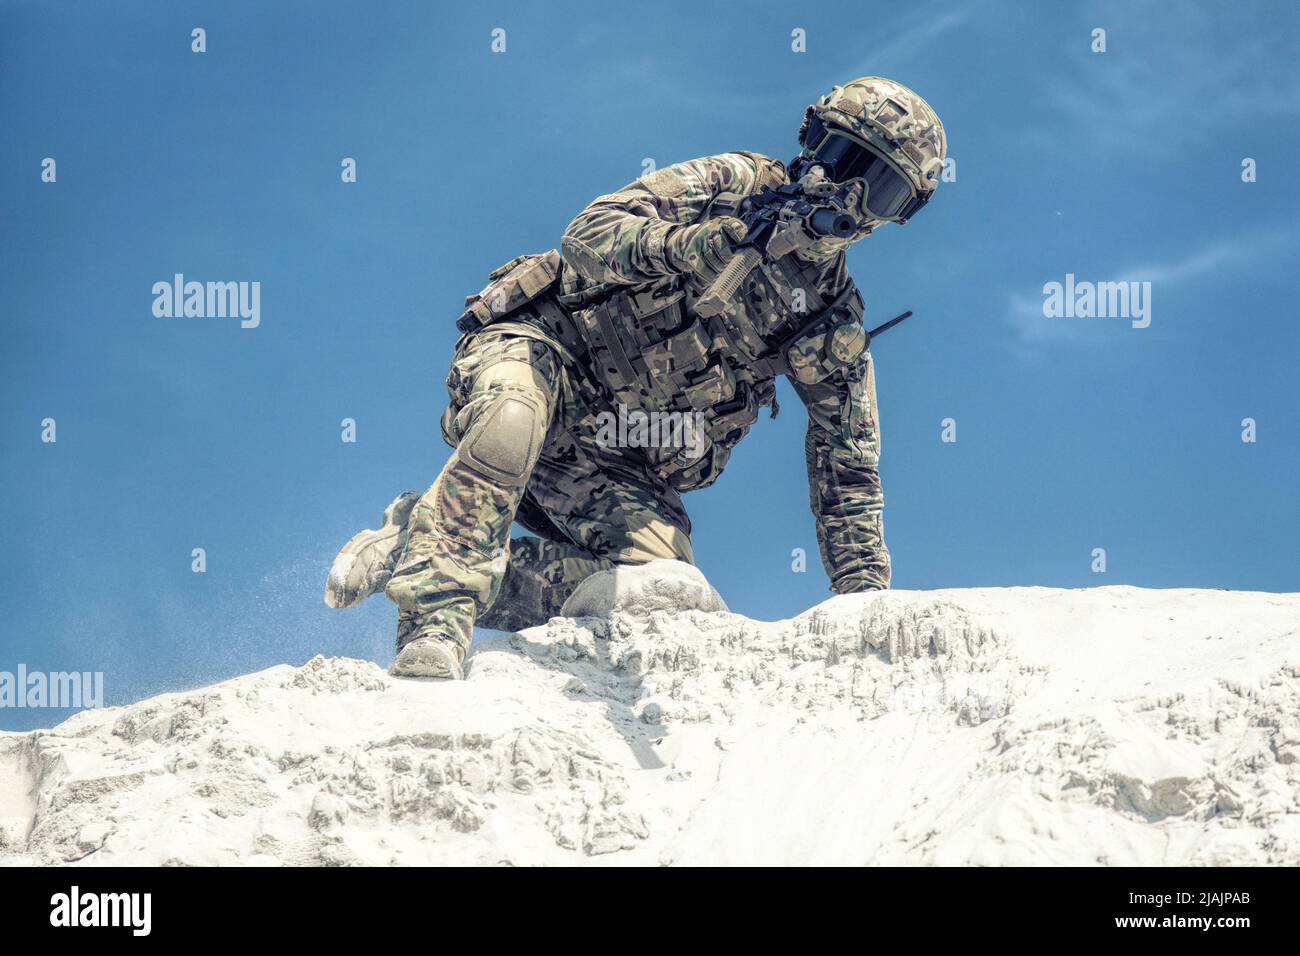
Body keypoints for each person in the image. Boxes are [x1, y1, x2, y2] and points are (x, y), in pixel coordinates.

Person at [325, 76, 947, 679]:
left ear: (895, 217)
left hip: (615, 450)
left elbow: (848, 467)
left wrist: (865, 603)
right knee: (512, 418)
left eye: (881, 189)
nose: (848, 196)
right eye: (843, 160)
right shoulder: (731, 185)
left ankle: (419, 543)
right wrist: (703, 243)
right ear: (812, 144)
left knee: (658, 593)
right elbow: (588, 237)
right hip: (548, 352)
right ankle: (436, 621)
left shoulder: (826, 319)